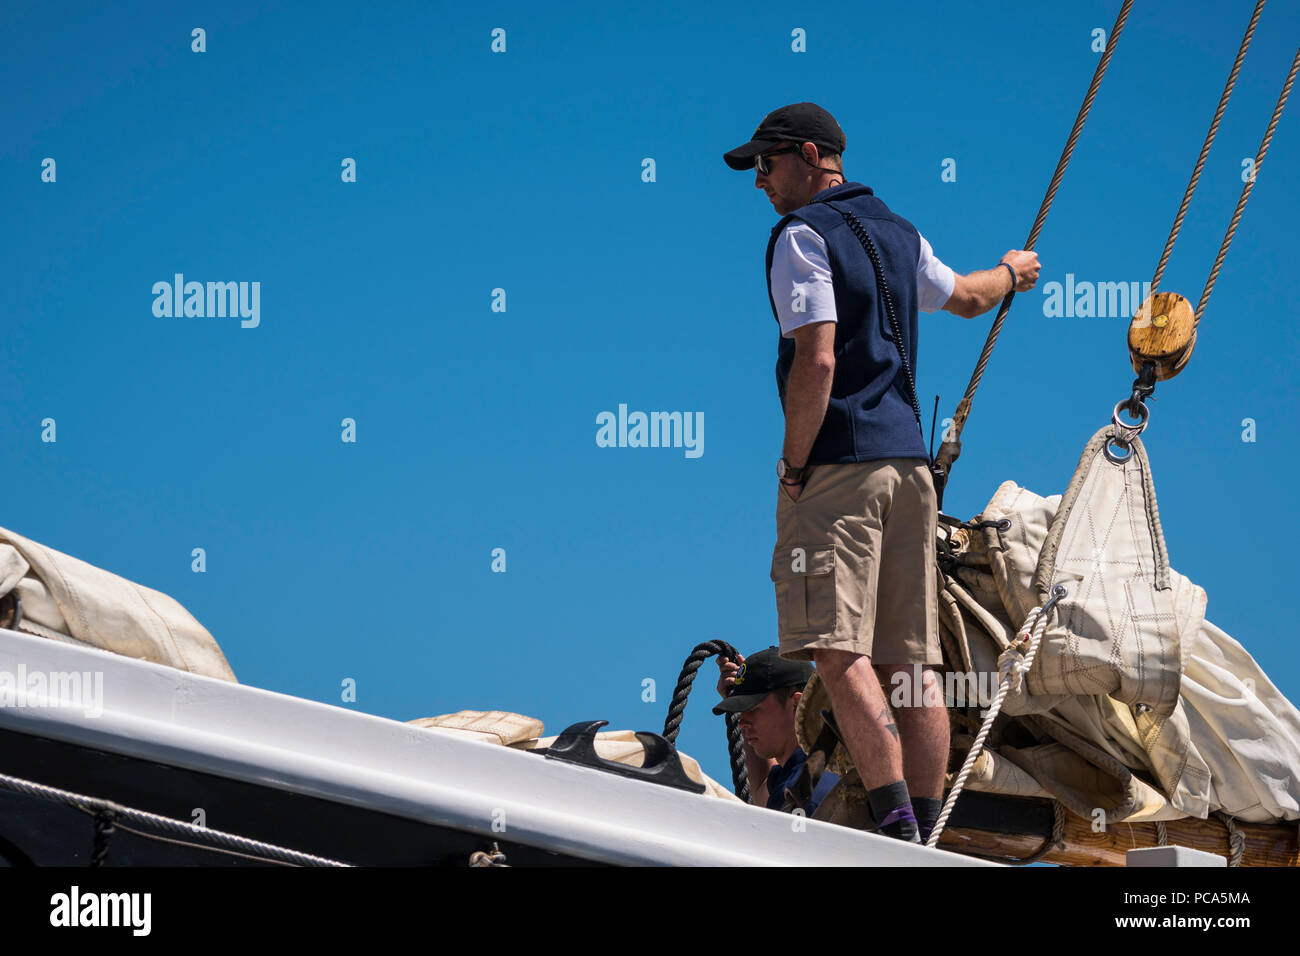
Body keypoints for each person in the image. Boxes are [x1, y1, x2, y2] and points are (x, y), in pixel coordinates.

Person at [723, 102, 1041, 843]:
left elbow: (819, 356)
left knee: (835, 650)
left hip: (840, 466)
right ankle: (927, 834)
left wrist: (795, 464)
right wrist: (1012, 273)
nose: (760, 184)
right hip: (912, 474)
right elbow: (965, 297)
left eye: (765, 166)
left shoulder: (801, 236)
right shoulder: (900, 233)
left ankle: (894, 825)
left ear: (807, 155)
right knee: (911, 663)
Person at [713, 646, 839, 817]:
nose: (741, 723)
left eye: (754, 709)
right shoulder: (807, 771)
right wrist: (739, 693)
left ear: (797, 704)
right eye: (741, 711)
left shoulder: (809, 788)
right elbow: (759, 791)